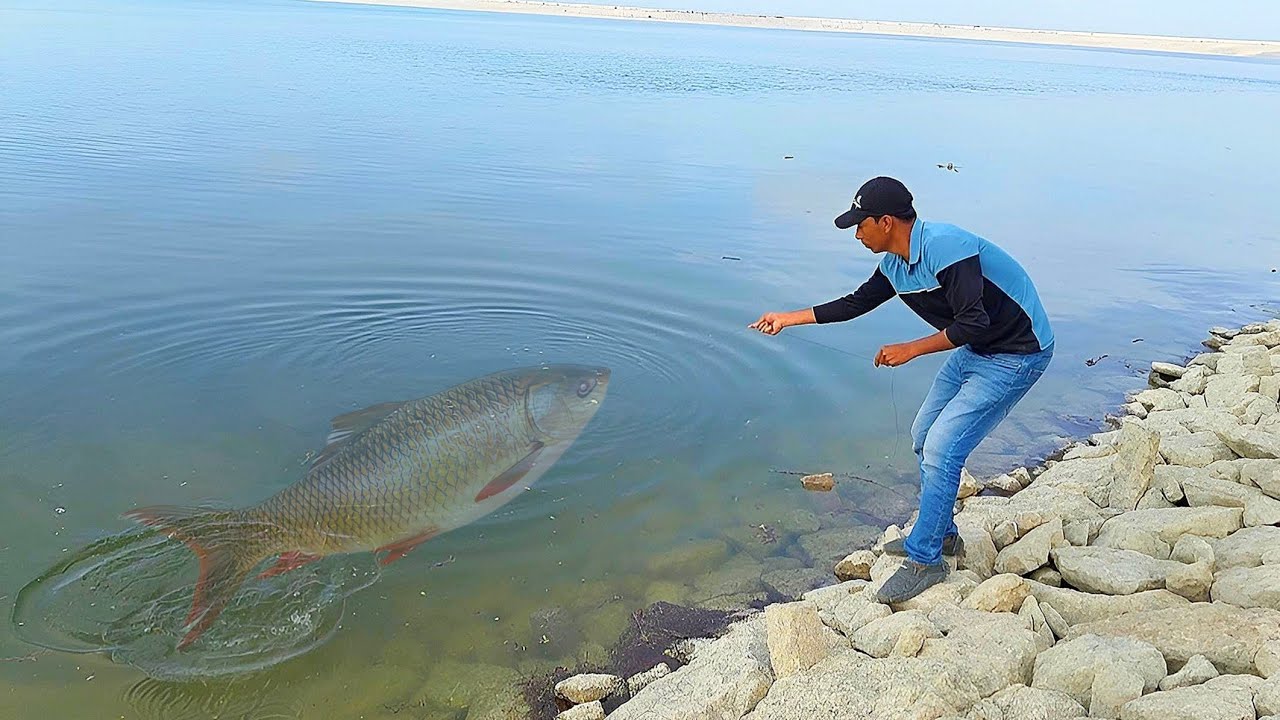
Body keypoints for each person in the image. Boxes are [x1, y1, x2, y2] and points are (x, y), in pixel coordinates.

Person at [749, 175, 1054, 604]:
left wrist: (910, 349)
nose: (857, 234)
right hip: (979, 349)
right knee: (922, 437)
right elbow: (854, 304)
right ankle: (943, 535)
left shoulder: (948, 247)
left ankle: (926, 559)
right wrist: (786, 317)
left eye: (861, 224)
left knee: (943, 448)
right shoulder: (894, 265)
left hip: (1019, 351)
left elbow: (973, 322)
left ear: (887, 222)